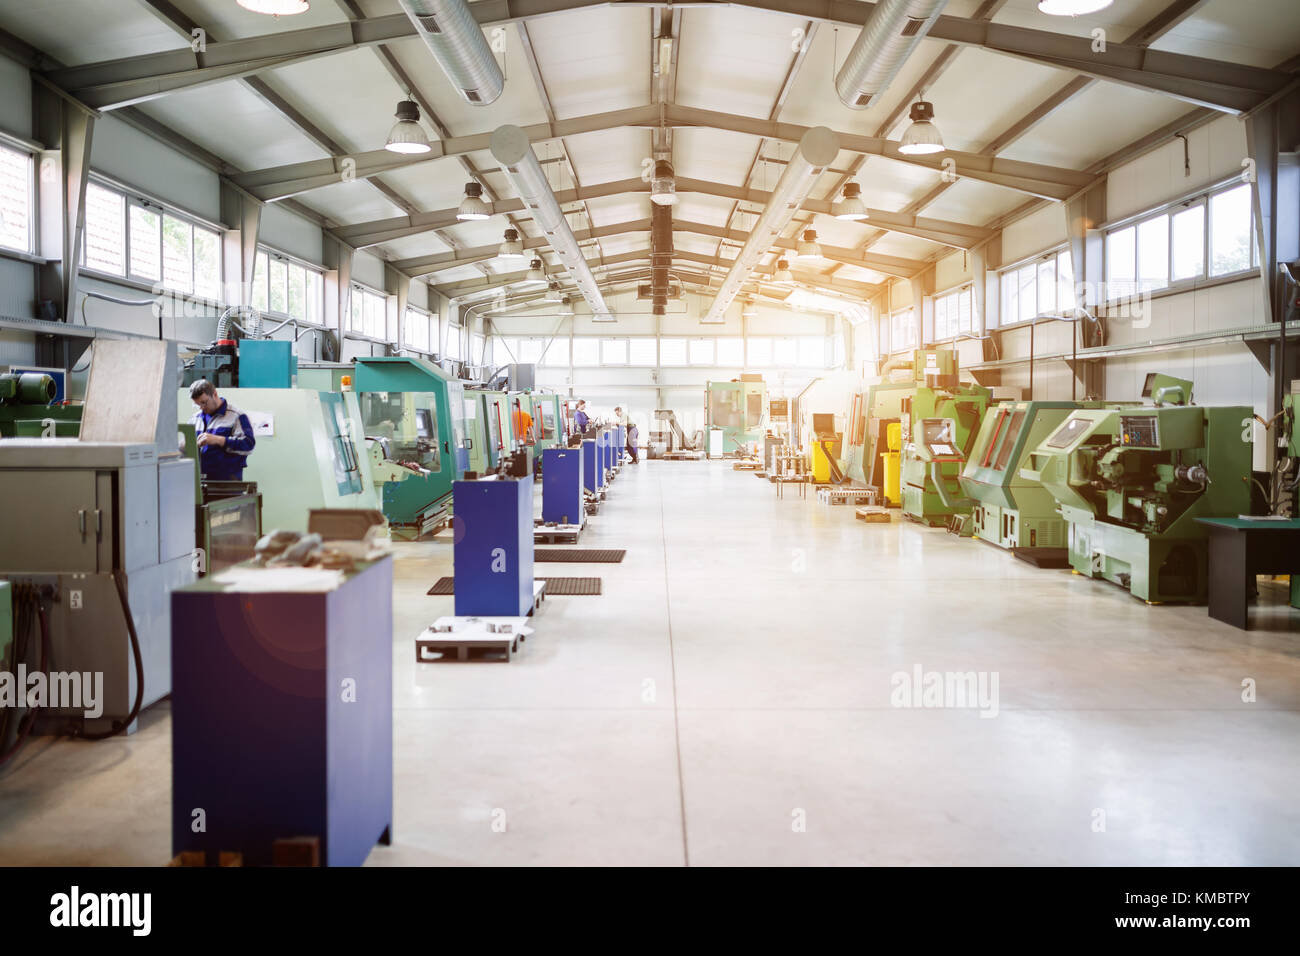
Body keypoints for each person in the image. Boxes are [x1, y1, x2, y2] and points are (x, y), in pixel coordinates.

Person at [189, 379, 255, 480]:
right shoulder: (195, 418)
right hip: (199, 482)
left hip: (227, 485)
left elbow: (248, 445)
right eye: (197, 405)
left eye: (204, 402)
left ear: (214, 394)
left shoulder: (236, 416)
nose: (201, 408)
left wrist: (219, 440)